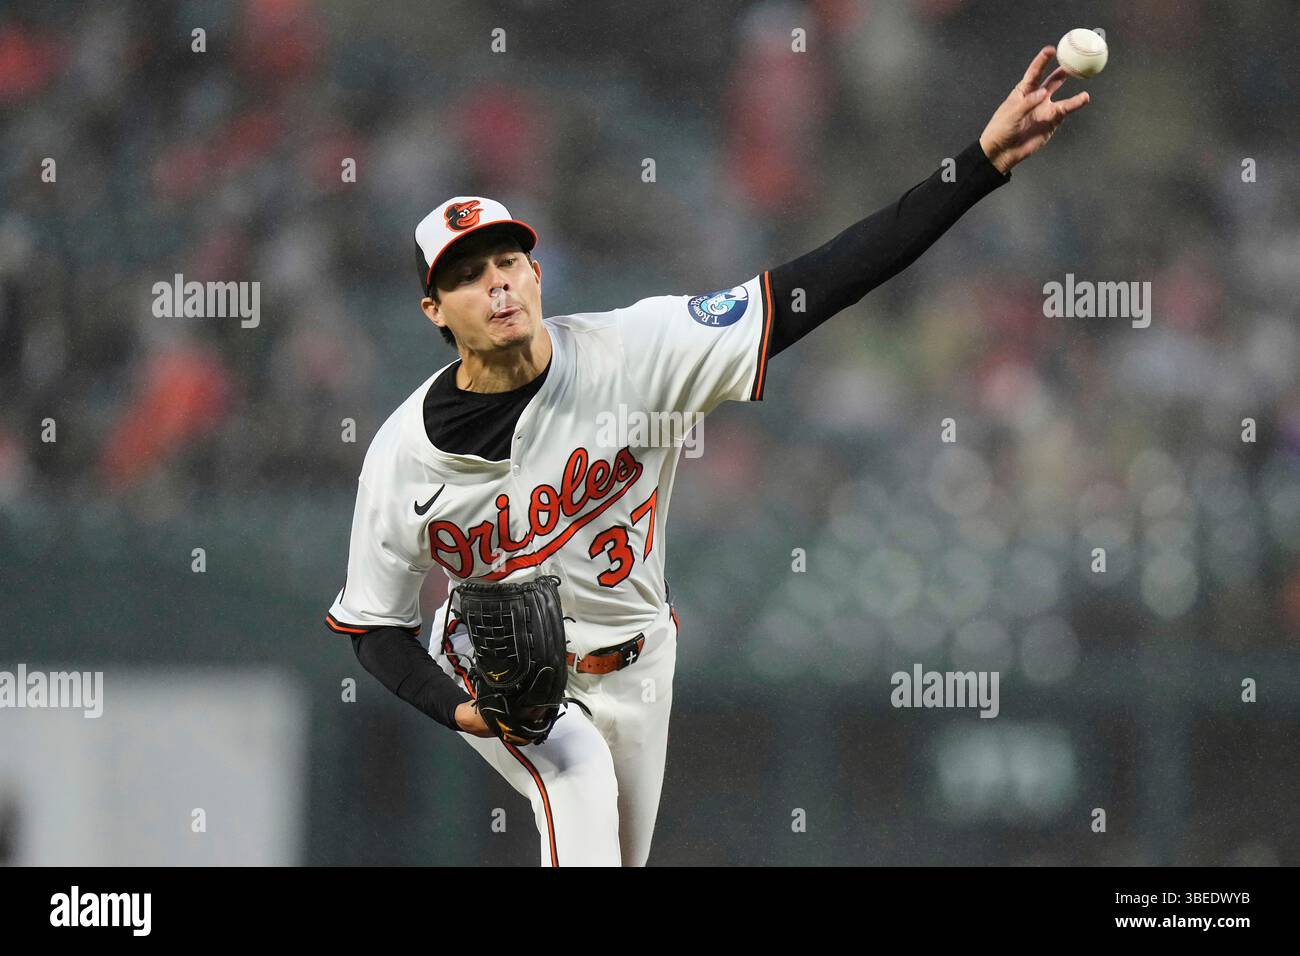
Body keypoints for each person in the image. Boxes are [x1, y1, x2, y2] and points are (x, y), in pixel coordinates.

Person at [326, 48, 1089, 866]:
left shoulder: (638, 351)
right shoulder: (403, 456)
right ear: (435, 310)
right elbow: (375, 627)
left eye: (508, 261)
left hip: (640, 661)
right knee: (576, 776)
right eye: (468, 276)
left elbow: (816, 286)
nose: (498, 284)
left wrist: (977, 167)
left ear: (538, 272)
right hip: (497, 669)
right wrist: (462, 712)